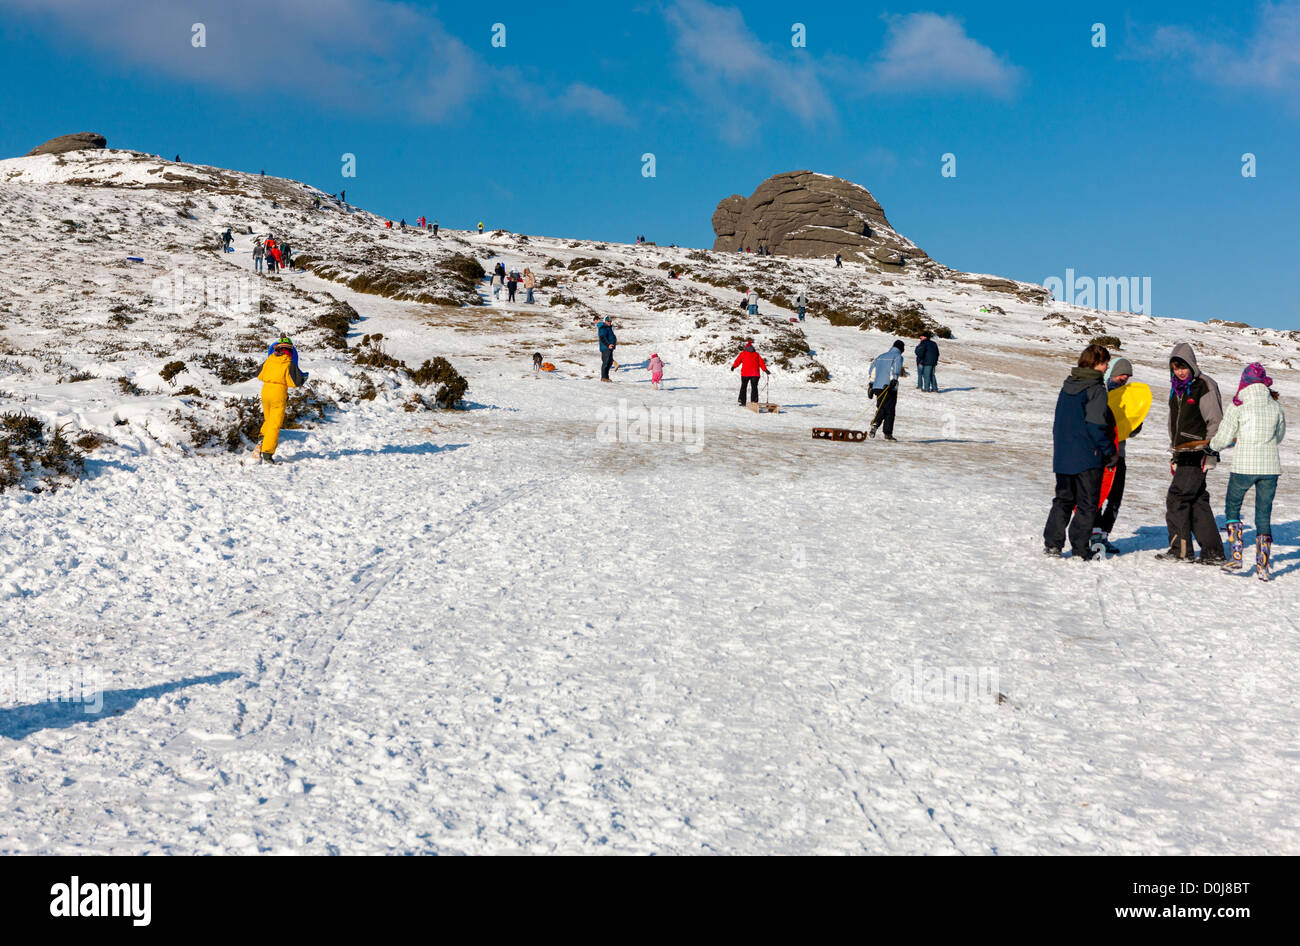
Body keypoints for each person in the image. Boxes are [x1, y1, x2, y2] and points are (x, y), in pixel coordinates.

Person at [1210, 363, 1286, 579]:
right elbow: (1279, 436)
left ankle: (1236, 555)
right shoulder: (1275, 406)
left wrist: (1212, 447)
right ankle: (1263, 566)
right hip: (1270, 467)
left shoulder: (1239, 405)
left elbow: (1224, 436)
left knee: (1233, 506)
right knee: (1264, 513)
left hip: (1244, 465)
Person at [1043, 344, 1117, 559]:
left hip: (1064, 456)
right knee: (1087, 504)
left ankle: (1052, 544)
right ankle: (1079, 548)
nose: (1106, 369)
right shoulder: (1096, 389)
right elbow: (1096, 426)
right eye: (1105, 364)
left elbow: (1059, 423)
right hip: (1088, 457)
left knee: (1063, 499)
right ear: (1096, 363)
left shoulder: (1067, 385)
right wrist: (1108, 451)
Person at [1158, 343, 1227, 563]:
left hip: (1198, 451)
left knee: (1177, 498)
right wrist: (1174, 453)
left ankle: (1180, 550)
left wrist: (1211, 452)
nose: (1179, 371)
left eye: (1183, 366)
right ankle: (1213, 552)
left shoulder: (1204, 385)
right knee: (1197, 500)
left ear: (1192, 364)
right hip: (1182, 453)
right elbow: (1174, 424)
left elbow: (1215, 421)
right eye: (1175, 367)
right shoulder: (1176, 389)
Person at [1093, 358, 1138, 555]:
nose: (1124, 379)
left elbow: (1130, 427)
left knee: (1115, 497)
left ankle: (1104, 535)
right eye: (1122, 375)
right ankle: (1093, 535)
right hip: (1100, 455)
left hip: (1119, 454)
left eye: (1127, 377)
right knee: (1097, 496)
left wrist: (1136, 423)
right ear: (1112, 373)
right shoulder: (1099, 393)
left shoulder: (1127, 397)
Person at [256, 337, 303, 464]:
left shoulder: (270, 359)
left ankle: (262, 438)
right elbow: (295, 382)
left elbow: (259, 374)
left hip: (265, 391)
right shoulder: (289, 363)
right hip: (279, 393)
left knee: (268, 419)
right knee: (275, 424)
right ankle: (267, 453)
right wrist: (304, 377)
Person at [867, 341, 906, 440]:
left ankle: (877, 426)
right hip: (888, 387)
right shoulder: (897, 356)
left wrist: (871, 384)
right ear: (901, 349)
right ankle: (884, 430)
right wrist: (894, 380)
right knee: (889, 410)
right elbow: (895, 369)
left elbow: (873, 370)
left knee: (882, 407)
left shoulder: (881, 356)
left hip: (877, 386)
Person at [731, 339, 769, 405]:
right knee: (754, 388)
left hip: (745, 374)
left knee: (743, 387)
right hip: (755, 374)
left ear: (745, 348)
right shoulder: (756, 354)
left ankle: (742, 401)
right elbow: (761, 363)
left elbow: (738, 361)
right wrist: (765, 370)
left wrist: (733, 366)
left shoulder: (743, 353)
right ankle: (754, 402)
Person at [598, 316, 617, 382]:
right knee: (606, 362)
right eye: (608, 321)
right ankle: (603, 377)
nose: (609, 322)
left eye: (610, 321)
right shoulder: (603, 328)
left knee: (609, 362)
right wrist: (608, 345)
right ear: (605, 321)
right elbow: (602, 338)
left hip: (610, 348)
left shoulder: (609, 328)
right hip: (605, 348)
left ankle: (606, 377)